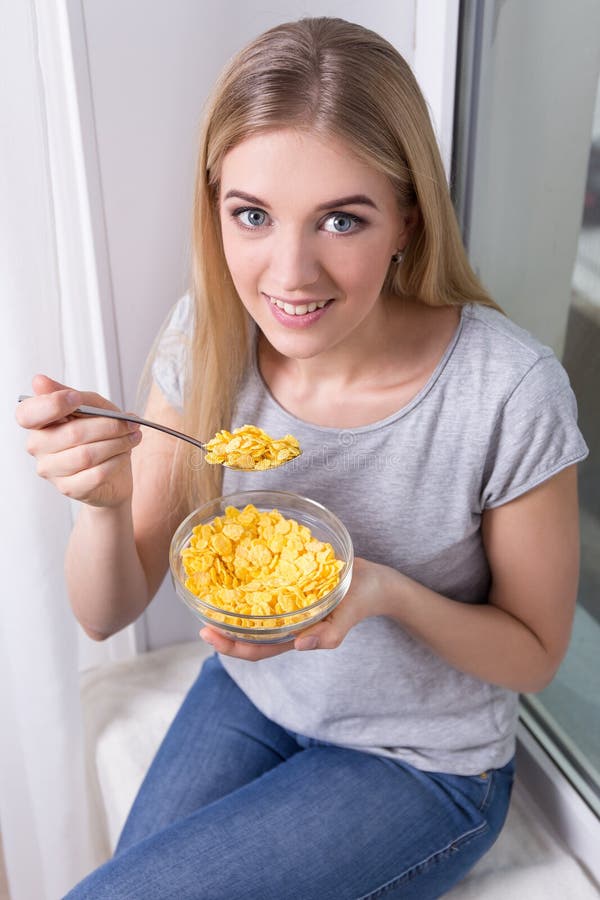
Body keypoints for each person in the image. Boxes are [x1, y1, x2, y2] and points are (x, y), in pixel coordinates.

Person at [17, 16, 588, 900]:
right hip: (257, 699)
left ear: (405, 217)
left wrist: (383, 594)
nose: (291, 275)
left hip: (423, 764)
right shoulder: (207, 339)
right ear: (215, 209)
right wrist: (100, 499)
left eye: (340, 220)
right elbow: (104, 613)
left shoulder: (509, 391)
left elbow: (536, 654)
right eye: (253, 215)